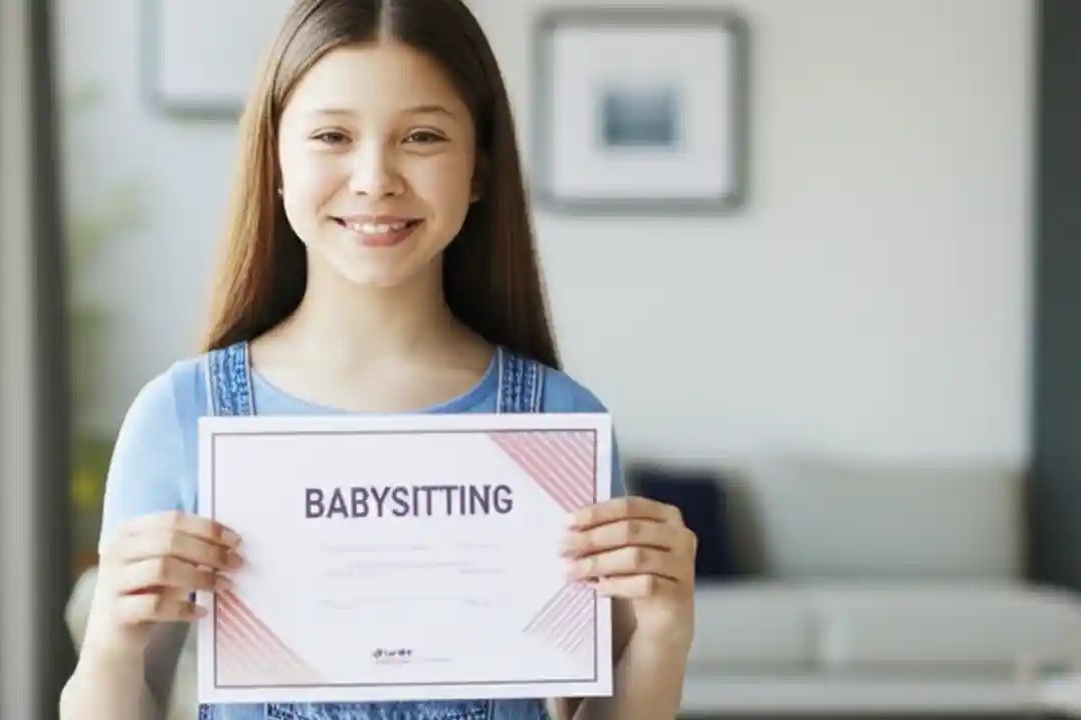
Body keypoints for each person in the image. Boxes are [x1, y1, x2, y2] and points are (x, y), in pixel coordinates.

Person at [58, 1, 697, 718]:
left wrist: (662, 638)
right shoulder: (182, 417)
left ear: (480, 166)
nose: (374, 177)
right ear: (275, 159)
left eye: (422, 136)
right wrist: (113, 640)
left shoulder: (560, 423)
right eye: (332, 134)